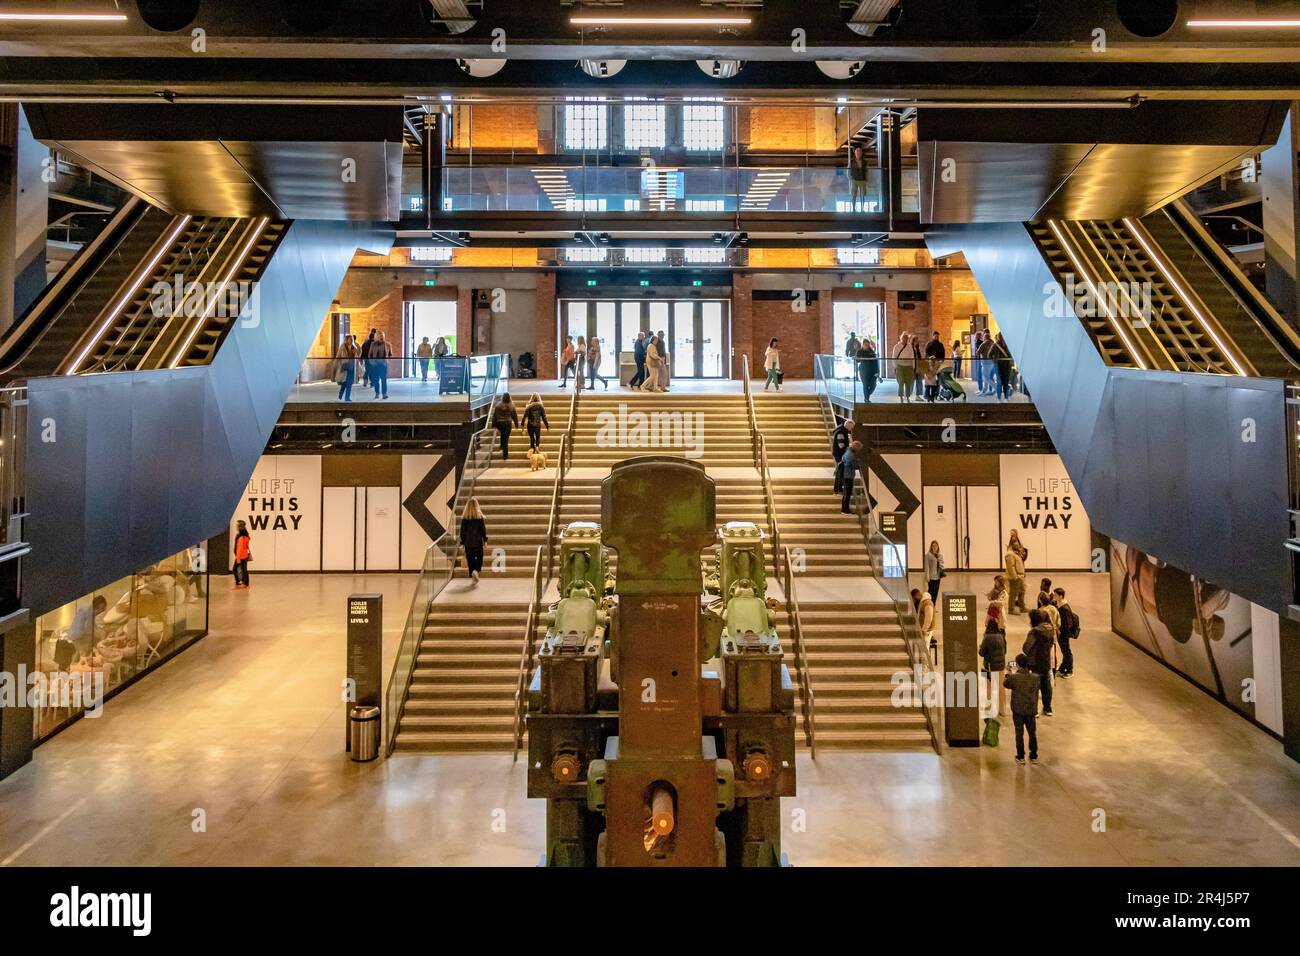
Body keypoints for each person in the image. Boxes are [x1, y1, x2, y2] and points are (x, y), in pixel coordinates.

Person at [1005, 654, 1041, 763]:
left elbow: (1006, 684)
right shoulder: (1035, 678)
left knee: (1019, 733)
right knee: (1032, 733)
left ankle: (1020, 756)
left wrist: (1009, 673)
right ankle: (1034, 755)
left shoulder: (1015, 678)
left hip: (1018, 710)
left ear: (1018, 665)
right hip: (1030, 709)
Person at [1023, 608, 1055, 717]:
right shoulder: (1050, 630)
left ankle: (1034, 710)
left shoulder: (1034, 632)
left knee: (1033, 686)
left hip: (1034, 662)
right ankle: (1047, 708)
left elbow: (1026, 647)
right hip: (1045, 661)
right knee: (1046, 686)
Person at [979, 608, 1008, 718]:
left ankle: (989, 707)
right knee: (1001, 687)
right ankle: (1003, 710)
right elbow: (1005, 651)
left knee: (989, 687)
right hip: (1000, 666)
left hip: (989, 666)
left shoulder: (987, 638)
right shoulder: (1001, 636)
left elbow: (981, 653)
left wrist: (980, 649)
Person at [459, 497, 488, 585]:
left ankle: (473, 573)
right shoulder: (479, 518)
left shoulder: (465, 519)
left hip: (468, 543)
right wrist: (485, 540)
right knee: (479, 558)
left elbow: (462, 532)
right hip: (478, 542)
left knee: (470, 560)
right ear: (477, 506)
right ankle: (476, 570)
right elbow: (483, 530)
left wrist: (462, 543)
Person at [1053, 587, 1079, 677]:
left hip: (1064, 634)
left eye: (1056, 595)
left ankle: (1069, 670)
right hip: (1062, 633)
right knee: (1064, 651)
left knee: (1066, 652)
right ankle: (1062, 668)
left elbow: (1068, 624)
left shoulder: (1065, 608)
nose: (1054, 597)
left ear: (1060, 596)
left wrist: (1062, 633)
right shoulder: (1060, 605)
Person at [837, 440, 863, 515]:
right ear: (856, 448)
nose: (859, 451)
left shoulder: (847, 452)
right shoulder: (851, 455)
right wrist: (858, 463)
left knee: (846, 493)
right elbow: (855, 465)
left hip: (846, 475)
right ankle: (845, 510)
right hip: (848, 476)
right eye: (859, 449)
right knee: (847, 494)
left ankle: (844, 509)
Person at [492, 393, 519, 460]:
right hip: (508, 423)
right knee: (506, 438)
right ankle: (505, 455)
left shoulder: (498, 406)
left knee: (503, 435)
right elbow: (514, 416)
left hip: (500, 423)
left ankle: (502, 447)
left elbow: (494, 416)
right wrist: (516, 424)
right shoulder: (511, 406)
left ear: (502, 397)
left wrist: (494, 425)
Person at [333, 334, 359, 402]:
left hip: (351, 367)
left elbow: (357, 357)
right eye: (350, 339)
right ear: (346, 340)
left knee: (349, 383)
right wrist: (335, 364)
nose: (351, 340)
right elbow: (338, 355)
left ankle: (347, 397)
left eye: (352, 339)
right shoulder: (343, 346)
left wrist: (356, 353)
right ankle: (341, 394)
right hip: (345, 366)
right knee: (344, 383)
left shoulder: (354, 347)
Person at [831, 417, 854, 493]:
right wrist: (849, 448)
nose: (852, 429)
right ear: (848, 426)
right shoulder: (841, 432)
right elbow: (841, 445)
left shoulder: (842, 431)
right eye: (852, 427)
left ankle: (838, 489)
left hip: (839, 453)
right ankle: (838, 489)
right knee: (840, 471)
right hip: (839, 454)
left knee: (840, 471)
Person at [1004, 540, 1027, 614]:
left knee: (1022, 591)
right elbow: (1011, 567)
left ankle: (1022, 607)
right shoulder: (1009, 554)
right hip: (1015, 577)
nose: (1018, 547)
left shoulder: (1015, 553)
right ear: (1012, 545)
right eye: (1016, 545)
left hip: (1020, 576)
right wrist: (1015, 577)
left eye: (1018, 545)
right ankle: (1011, 609)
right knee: (1013, 593)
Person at [892, 332, 914, 403]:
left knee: (908, 382)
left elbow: (912, 356)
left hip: (908, 366)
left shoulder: (910, 346)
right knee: (901, 382)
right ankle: (901, 396)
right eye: (904, 338)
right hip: (900, 366)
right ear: (901, 338)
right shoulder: (896, 346)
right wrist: (895, 366)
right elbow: (894, 357)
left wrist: (913, 367)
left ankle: (907, 396)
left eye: (907, 338)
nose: (905, 340)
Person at [369, 330, 392, 399]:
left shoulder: (388, 344)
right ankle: (377, 393)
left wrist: (388, 361)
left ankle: (384, 394)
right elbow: (369, 355)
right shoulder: (373, 344)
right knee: (376, 380)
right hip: (375, 365)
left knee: (384, 380)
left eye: (382, 336)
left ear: (384, 336)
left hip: (383, 365)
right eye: (379, 336)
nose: (381, 337)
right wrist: (372, 363)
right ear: (377, 337)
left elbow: (390, 354)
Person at [848, 144, 870, 211]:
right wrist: (850, 179)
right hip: (854, 180)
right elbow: (848, 171)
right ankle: (853, 208)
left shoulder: (865, 162)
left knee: (862, 195)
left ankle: (862, 208)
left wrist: (867, 180)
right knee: (853, 195)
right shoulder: (851, 162)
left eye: (860, 151)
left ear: (862, 152)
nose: (858, 152)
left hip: (863, 180)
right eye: (857, 151)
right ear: (854, 152)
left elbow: (867, 171)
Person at [232, 520, 252, 590]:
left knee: (234, 569)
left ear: (239, 527)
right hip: (244, 555)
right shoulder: (245, 536)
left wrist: (238, 558)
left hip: (241, 556)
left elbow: (239, 549)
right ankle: (245, 584)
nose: (235, 527)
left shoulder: (240, 537)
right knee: (244, 570)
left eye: (236, 525)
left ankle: (239, 583)